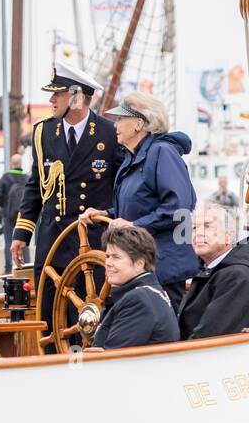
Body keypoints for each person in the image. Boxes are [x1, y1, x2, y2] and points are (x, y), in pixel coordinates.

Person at [9, 60, 119, 348]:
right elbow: (35, 185)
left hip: (92, 240)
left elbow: (120, 188)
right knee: (48, 310)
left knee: (91, 313)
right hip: (52, 238)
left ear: (77, 97)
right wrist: (22, 234)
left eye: (57, 94)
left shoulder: (109, 134)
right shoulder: (43, 132)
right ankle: (51, 364)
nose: (50, 100)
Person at [81, 92, 197, 307]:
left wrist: (134, 226)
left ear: (138, 124)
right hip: (142, 267)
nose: (115, 125)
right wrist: (105, 214)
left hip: (163, 268)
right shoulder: (132, 159)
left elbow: (179, 207)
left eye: (120, 119)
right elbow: (138, 206)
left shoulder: (162, 152)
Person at [177, 202, 249, 340]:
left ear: (228, 236)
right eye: (194, 227)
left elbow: (208, 337)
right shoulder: (209, 269)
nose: (198, 233)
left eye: (207, 226)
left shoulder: (237, 278)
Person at [91, 224, 179, 350]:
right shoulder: (150, 292)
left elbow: (111, 358)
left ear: (139, 264)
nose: (107, 263)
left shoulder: (138, 300)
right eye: (107, 256)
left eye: (116, 257)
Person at [0, 161, 27, 273]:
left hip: (8, 215)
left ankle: (8, 269)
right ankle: (26, 267)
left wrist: (4, 206)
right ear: (20, 163)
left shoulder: (5, 178)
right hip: (23, 215)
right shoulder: (26, 178)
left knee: (9, 241)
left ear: (13, 164)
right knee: (24, 239)